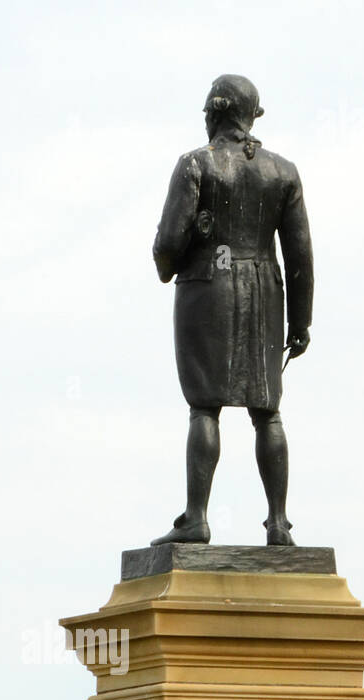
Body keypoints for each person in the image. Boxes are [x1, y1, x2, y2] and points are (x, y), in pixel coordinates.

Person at [152, 74, 313, 547]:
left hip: (208, 290)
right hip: (266, 292)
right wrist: (300, 321)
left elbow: (166, 250)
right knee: (268, 412)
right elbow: (300, 256)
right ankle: (279, 522)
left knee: (205, 407)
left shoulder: (195, 165)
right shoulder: (283, 172)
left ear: (216, 113)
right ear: (250, 117)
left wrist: (192, 243)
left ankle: (197, 517)